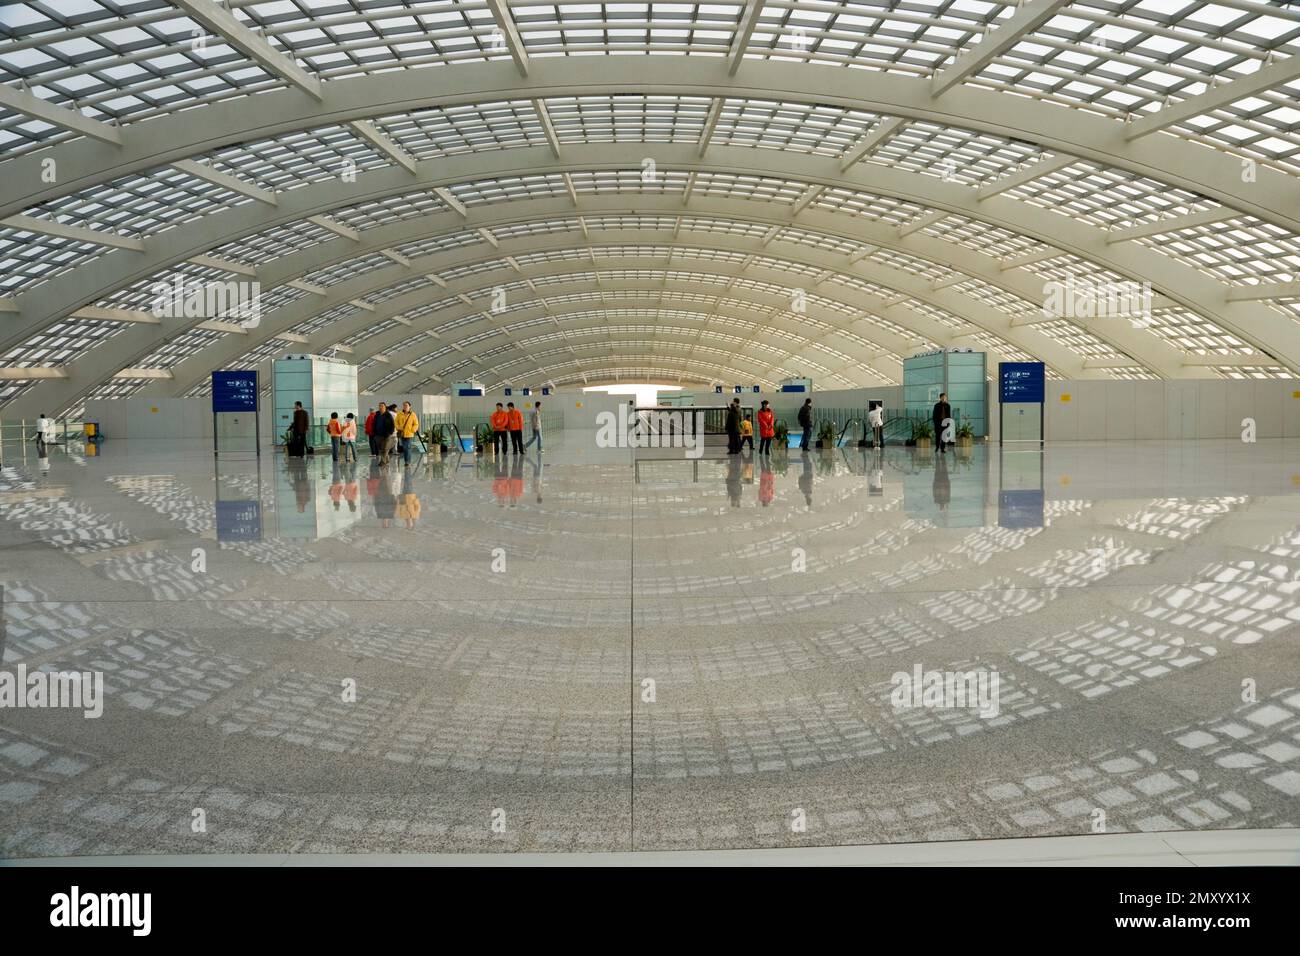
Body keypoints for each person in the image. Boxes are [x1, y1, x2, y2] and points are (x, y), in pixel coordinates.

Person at [394, 401, 420, 466]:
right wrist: (398, 428)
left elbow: (416, 424)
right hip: (402, 433)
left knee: (407, 447)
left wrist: (413, 430)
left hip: (409, 434)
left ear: (409, 406)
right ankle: (407, 461)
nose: (405, 407)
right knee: (405, 448)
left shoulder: (413, 414)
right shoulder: (399, 414)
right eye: (404, 405)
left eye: (406, 405)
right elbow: (396, 422)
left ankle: (407, 462)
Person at [371, 401, 396, 466]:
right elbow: (374, 423)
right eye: (379, 406)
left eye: (382, 406)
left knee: (384, 449)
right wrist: (374, 432)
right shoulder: (377, 415)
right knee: (380, 449)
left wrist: (389, 433)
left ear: (385, 407)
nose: (380, 407)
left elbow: (392, 425)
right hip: (378, 435)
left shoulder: (388, 415)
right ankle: (387, 460)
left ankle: (382, 462)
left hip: (386, 435)